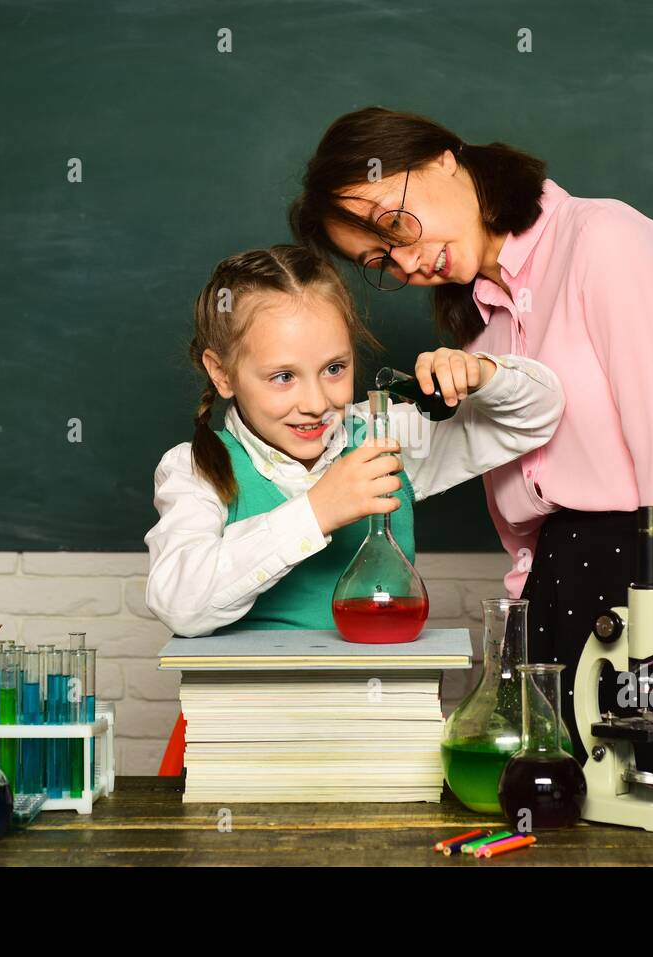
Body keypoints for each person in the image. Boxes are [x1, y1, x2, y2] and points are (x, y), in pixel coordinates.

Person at [290, 108, 653, 773]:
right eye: (381, 259)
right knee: (566, 839)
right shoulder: (479, 324)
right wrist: (521, 631)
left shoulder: (606, 242)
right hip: (560, 596)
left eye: (394, 225)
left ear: (442, 159)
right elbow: (526, 518)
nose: (404, 261)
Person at [144, 244, 564, 771]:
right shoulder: (194, 469)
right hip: (237, 743)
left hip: (376, 731)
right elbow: (180, 602)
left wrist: (483, 374)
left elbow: (538, 415)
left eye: (334, 368)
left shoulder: (386, 437)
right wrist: (316, 511)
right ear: (222, 374)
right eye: (282, 377)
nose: (316, 402)